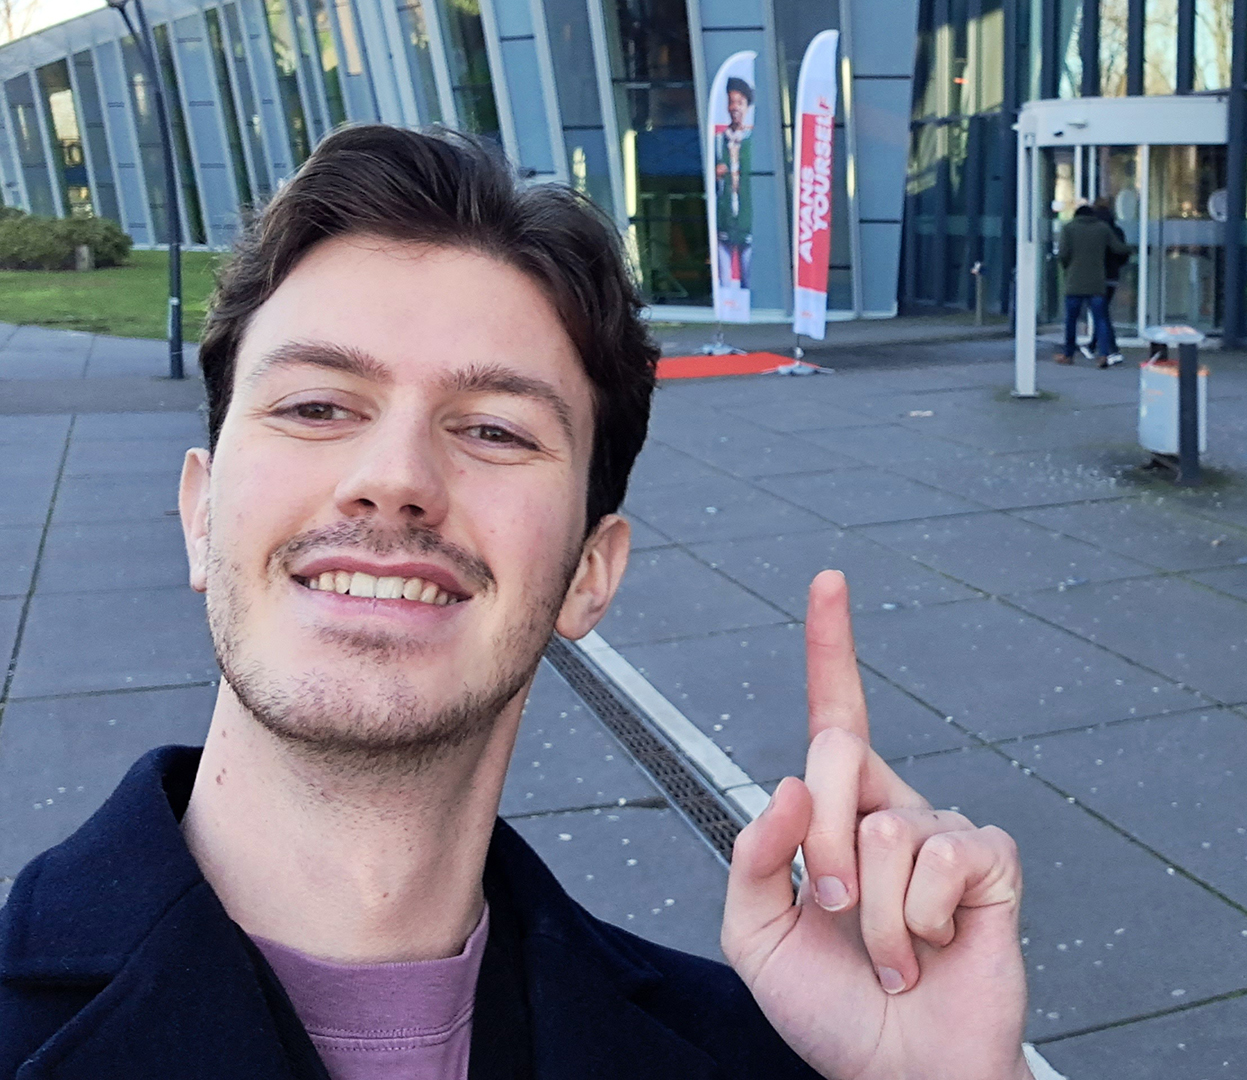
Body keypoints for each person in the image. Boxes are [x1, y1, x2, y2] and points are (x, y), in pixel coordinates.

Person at [0, 125, 1032, 1080]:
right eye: (316, 406)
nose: (395, 477)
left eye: (494, 430)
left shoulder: (766, 1052)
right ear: (200, 513)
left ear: (590, 571)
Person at [1055, 204, 1129, 368]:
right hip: (1097, 282)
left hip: (1074, 282)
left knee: (1071, 320)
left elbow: (1063, 254)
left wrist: (1068, 267)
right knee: (1100, 319)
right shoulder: (1102, 228)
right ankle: (1103, 355)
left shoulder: (1069, 228)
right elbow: (1119, 248)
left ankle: (1068, 355)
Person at [712, 77, 754, 288]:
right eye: (731, 102)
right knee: (725, 282)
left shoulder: (753, 141)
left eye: (740, 103)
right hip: (725, 216)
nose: (735, 108)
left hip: (748, 218)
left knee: (750, 278)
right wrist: (715, 175)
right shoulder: (719, 141)